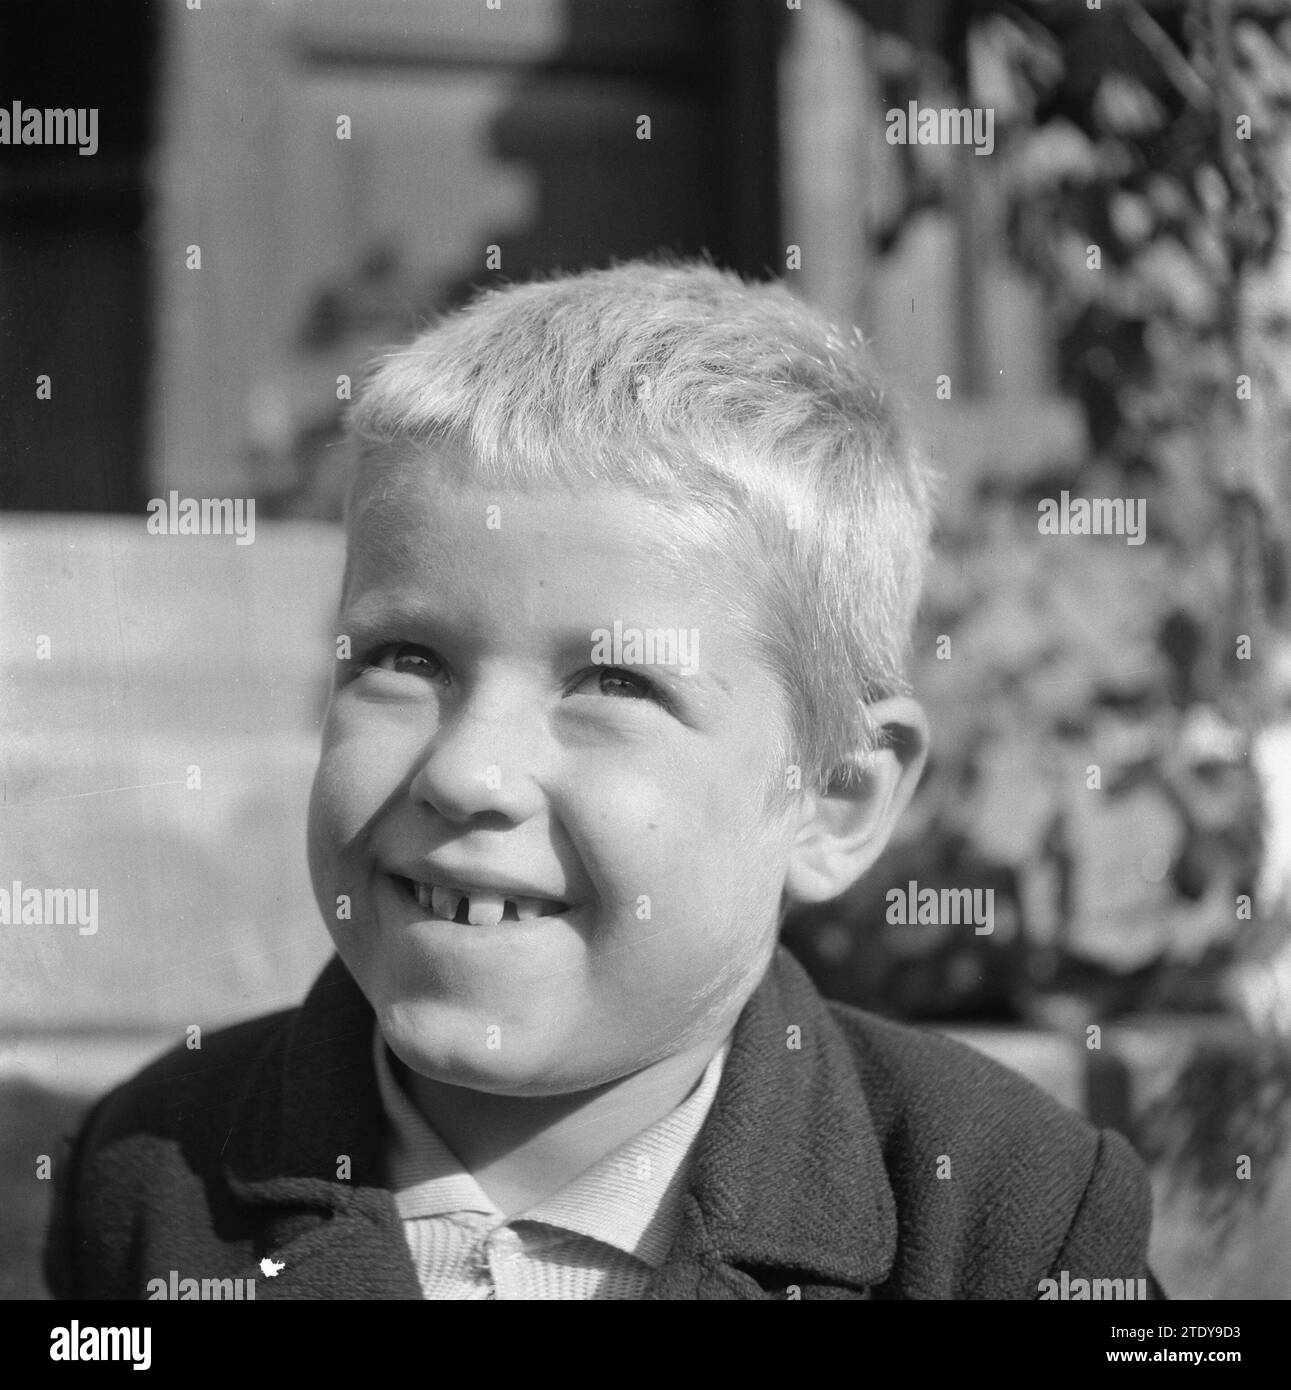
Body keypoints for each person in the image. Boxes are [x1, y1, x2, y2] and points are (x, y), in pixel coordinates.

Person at [46, 261, 1160, 1299]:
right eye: (405, 659)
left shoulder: (1005, 1221)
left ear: (833, 797)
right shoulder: (155, 1172)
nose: (469, 770)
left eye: (612, 682)